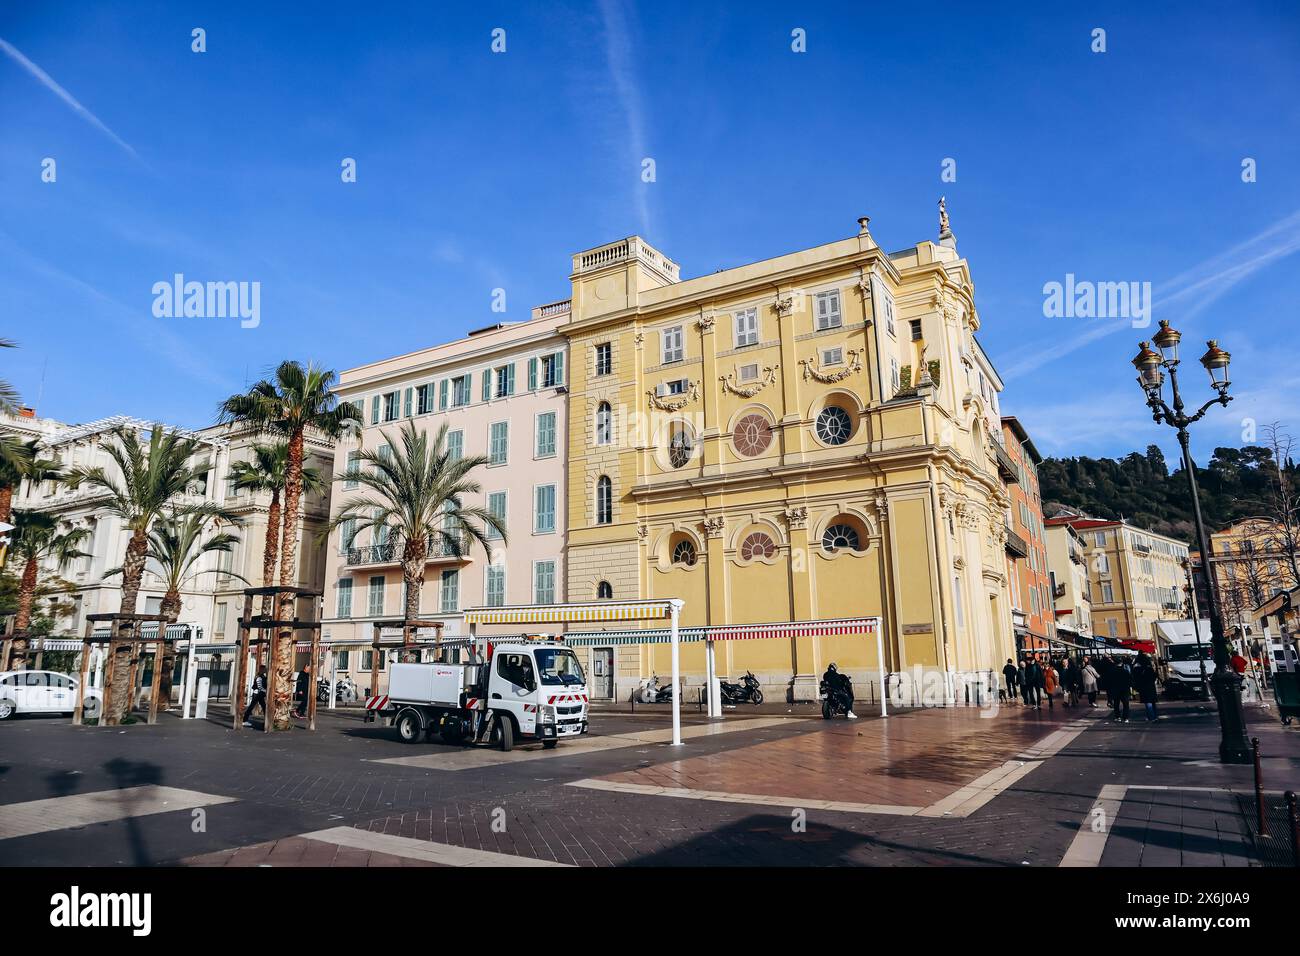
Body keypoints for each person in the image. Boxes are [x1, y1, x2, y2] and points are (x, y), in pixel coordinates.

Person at [1134, 653, 1159, 722]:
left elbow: (1136, 678)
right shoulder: (1149, 668)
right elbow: (1154, 676)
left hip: (1143, 687)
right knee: (1152, 702)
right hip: (1151, 686)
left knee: (1148, 702)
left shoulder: (1138, 668)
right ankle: (1155, 716)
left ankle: (1151, 717)